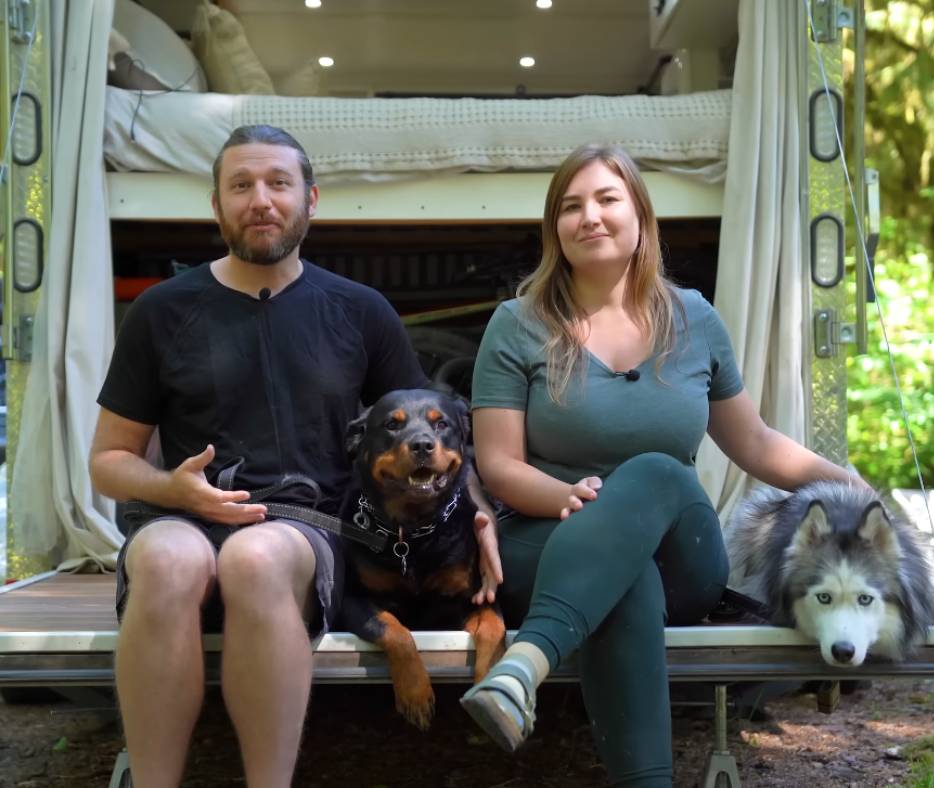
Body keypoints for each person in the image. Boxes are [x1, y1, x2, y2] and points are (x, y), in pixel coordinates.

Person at [89, 125, 500, 788]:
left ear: (310, 200)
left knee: (257, 557)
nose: (261, 199)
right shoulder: (161, 312)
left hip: (309, 527)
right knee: (167, 558)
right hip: (181, 516)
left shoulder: (360, 311)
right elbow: (109, 460)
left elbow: (435, 433)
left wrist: (476, 516)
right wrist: (176, 490)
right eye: (241, 185)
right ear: (216, 206)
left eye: (278, 183)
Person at [459, 143, 863, 787]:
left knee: (653, 472)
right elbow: (500, 464)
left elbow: (754, 443)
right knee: (628, 577)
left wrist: (849, 484)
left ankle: (526, 663)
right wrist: (567, 498)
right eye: (570, 206)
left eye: (606, 199)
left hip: (683, 552)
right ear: (554, 229)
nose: (588, 216)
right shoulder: (519, 324)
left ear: (640, 216)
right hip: (549, 539)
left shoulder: (693, 317)